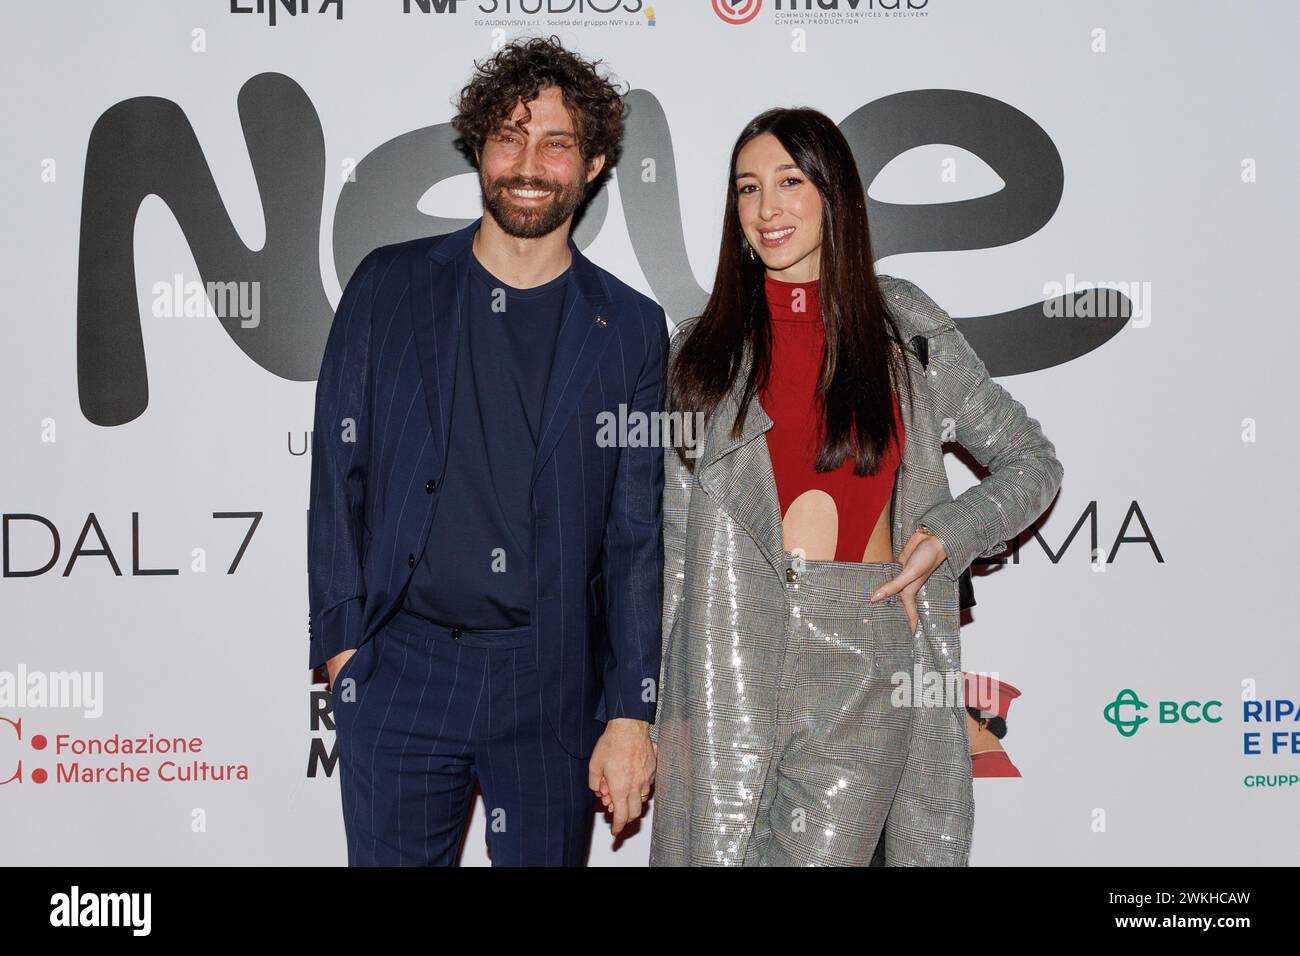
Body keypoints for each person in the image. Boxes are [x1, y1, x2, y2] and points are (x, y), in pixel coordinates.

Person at [649, 106, 1064, 866]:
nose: (767, 208)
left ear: (834, 193)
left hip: (864, 647)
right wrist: (654, 707)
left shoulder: (902, 324)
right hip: (727, 647)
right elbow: (679, 549)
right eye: (747, 189)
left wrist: (948, 535)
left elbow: (1031, 461)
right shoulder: (699, 352)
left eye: (790, 181)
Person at [308, 36, 665, 866]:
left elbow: (635, 537)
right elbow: (337, 474)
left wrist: (628, 709)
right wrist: (344, 652)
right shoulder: (388, 286)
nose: (528, 162)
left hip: (548, 685)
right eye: (509, 135)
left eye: (556, 142)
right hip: (400, 669)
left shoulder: (632, 329)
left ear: (596, 162)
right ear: (479, 149)